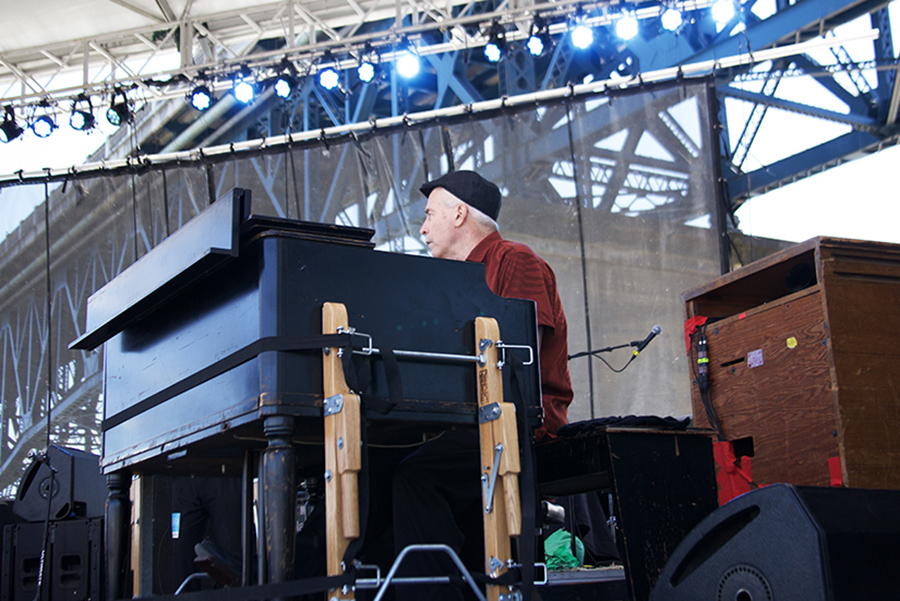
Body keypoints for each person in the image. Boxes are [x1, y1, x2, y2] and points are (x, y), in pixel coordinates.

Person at [391, 170, 574, 601]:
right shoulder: (446, 283)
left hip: (519, 426)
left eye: (429, 214)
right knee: (377, 471)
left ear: (459, 213)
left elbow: (517, 365)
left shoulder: (515, 260)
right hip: (470, 424)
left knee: (414, 476)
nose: (421, 228)